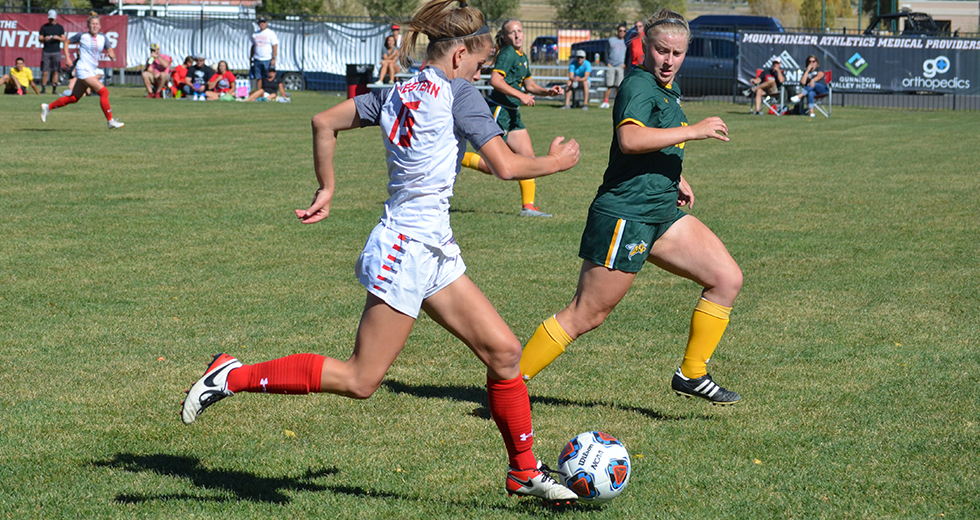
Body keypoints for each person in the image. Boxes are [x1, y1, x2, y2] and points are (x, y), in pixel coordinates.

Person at [180, 0, 581, 505]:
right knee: (360, 378)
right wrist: (559, 161)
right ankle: (231, 375)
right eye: (479, 65)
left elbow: (323, 121)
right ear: (458, 55)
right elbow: (507, 167)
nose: (480, 75)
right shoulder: (458, 92)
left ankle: (524, 471)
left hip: (430, 247)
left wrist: (327, 187)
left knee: (503, 352)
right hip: (405, 251)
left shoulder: (396, 91)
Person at [518, 9, 743, 407]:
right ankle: (508, 388)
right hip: (627, 214)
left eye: (677, 52)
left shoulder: (664, 89)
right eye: (661, 50)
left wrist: (673, 176)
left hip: (660, 211)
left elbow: (653, 141)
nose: (668, 60)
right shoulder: (639, 85)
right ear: (645, 47)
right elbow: (630, 139)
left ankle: (692, 373)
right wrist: (694, 130)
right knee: (586, 314)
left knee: (726, 278)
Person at [462, 18, 564, 218]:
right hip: (500, 112)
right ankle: (459, 157)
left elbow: (530, 86)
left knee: (528, 160)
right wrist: (520, 95)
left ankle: (528, 207)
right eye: (512, 32)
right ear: (505, 37)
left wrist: (547, 92)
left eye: (520, 31)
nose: (517, 35)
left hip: (513, 113)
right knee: (494, 167)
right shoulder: (508, 54)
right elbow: (495, 80)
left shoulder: (522, 56)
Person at [41, 14, 123, 129]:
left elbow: (109, 49)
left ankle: (47, 107)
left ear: (100, 26)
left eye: (96, 24)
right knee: (104, 92)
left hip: (91, 70)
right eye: (92, 24)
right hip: (82, 69)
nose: (94, 26)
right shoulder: (82, 36)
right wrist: (68, 58)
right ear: (88, 26)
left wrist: (112, 55)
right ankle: (110, 121)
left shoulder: (103, 37)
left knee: (74, 98)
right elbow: (66, 42)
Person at [37, 10, 65, 94]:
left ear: (56, 17)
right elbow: (40, 38)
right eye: (50, 19)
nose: (51, 20)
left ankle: (54, 89)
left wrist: (58, 38)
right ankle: (44, 89)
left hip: (56, 51)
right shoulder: (44, 27)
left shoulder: (60, 28)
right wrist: (45, 38)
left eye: (52, 19)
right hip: (46, 51)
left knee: (55, 71)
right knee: (45, 71)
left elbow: (64, 39)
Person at [600, 24, 627, 109]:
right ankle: (606, 101)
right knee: (609, 84)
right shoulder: (611, 40)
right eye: (620, 31)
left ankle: (617, 102)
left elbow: (628, 54)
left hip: (620, 66)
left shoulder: (626, 41)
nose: (622, 32)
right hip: (611, 65)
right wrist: (607, 62)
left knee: (618, 85)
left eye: (624, 31)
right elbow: (606, 51)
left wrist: (625, 63)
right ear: (617, 31)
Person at [250, 16, 279, 86]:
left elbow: (274, 46)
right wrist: (251, 56)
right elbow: (253, 46)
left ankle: (267, 90)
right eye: (261, 23)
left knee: (267, 76)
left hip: (267, 58)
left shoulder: (270, 33)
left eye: (264, 22)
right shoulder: (255, 34)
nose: (262, 24)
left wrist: (273, 58)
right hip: (257, 58)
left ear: (266, 24)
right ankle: (260, 91)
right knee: (258, 77)